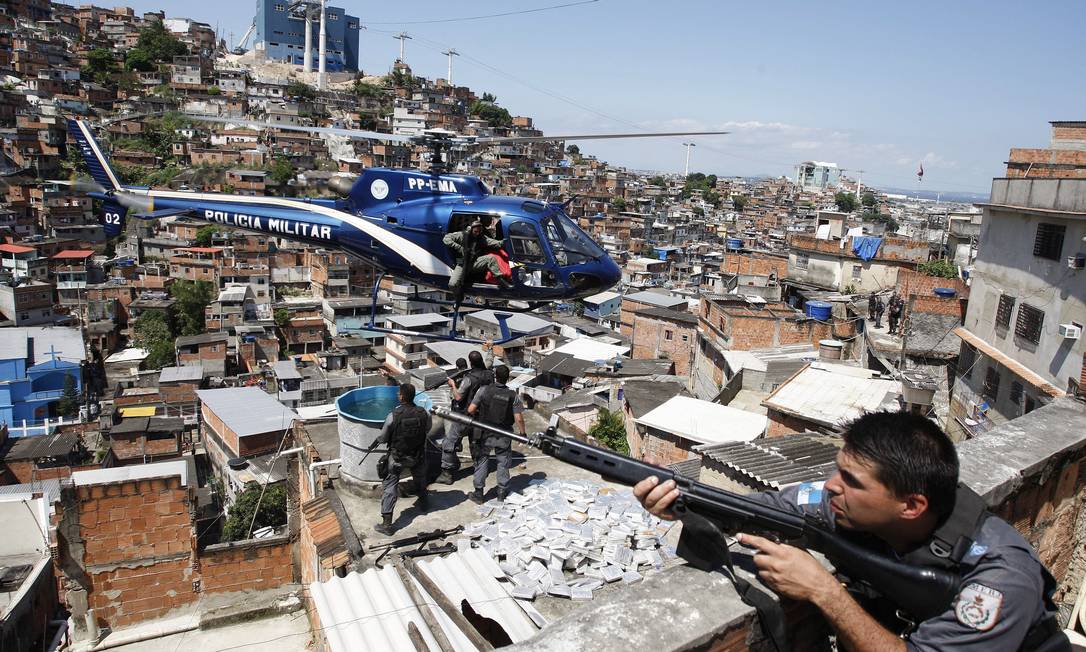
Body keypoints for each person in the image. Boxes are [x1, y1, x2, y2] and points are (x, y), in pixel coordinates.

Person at [633, 412, 1068, 652]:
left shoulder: (999, 578)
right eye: (837, 470)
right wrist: (681, 498)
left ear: (912, 506)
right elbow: (758, 510)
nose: (829, 486)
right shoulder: (845, 508)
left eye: (852, 481)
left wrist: (825, 592)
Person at [374, 383, 432, 536]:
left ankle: (387, 524)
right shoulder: (424, 412)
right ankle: (424, 503)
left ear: (401, 396)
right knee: (420, 478)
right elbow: (428, 429)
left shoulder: (394, 415)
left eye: (399, 393)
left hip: (397, 458)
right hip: (417, 455)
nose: (397, 395)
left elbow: (383, 437)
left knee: (390, 486)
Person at [436, 344, 495, 485]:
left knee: (448, 443)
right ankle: (479, 469)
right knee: (476, 443)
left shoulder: (468, 379)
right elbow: (490, 362)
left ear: (471, 363)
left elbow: (458, 397)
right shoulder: (489, 374)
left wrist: (453, 385)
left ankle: (447, 473)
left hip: (465, 416)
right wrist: (490, 350)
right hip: (482, 417)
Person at [466, 364, 525, 503]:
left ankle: (479, 494)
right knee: (503, 462)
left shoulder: (483, 390)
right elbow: (519, 418)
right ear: (507, 378)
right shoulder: (513, 396)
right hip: (503, 434)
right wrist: (523, 434)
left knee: (482, 461)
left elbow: (471, 409)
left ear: (495, 376)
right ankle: (501, 492)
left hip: (484, 433)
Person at [443, 219, 513, 302]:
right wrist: (459, 247)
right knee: (452, 284)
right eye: (476, 231)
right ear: (471, 229)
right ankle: (459, 295)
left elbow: (494, 243)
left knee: (490, 258)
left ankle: (501, 280)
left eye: (479, 231)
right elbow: (446, 238)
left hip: (474, 263)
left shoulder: (481, 237)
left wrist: (504, 242)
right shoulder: (462, 235)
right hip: (462, 264)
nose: (477, 233)